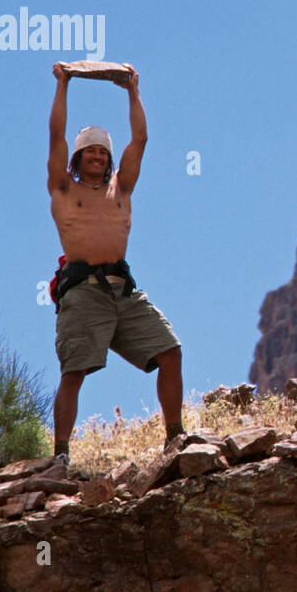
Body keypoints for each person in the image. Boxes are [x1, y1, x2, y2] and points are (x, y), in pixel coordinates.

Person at [47, 61, 184, 463]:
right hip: (83, 293)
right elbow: (55, 134)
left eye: (102, 152)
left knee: (170, 352)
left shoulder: (122, 187)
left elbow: (140, 139)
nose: (97, 156)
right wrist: (63, 84)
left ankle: (175, 436)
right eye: (90, 151)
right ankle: (61, 455)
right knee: (74, 372)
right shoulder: (62, 187)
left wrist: (132, 90)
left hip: (123, 291)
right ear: (77, 157)